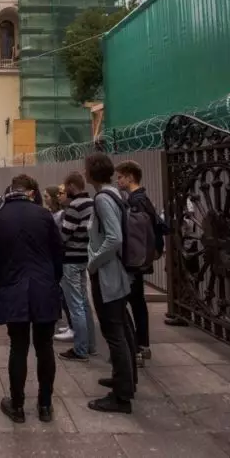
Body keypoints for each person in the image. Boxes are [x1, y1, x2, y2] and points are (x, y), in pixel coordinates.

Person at [0, 174, 63, 424]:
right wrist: (53, 279)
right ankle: (45, 404)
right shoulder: (43, 215)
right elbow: (58, 252)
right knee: (45, 346)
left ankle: (17, 405)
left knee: (18, 347)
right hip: (43, 287)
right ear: (31, 191)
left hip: (12, 287)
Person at [84, 152, 136, 414]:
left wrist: (93, 261)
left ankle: (122, 395)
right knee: (122, 329)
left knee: (114, 332)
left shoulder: (103, 199)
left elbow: (114, 238)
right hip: (116, 273)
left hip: (108, 274)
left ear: (92, 172)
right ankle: (124, 378)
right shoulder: (115, 194)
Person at [115, 160, 166, 365]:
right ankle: (142, 345)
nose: (118, 181)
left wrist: (131, 263)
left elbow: (136, 236)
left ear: (130, 177)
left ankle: (136, 348)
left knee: (130, 303)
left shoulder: (135, 201)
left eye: (120, 177)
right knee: (138, 304)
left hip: (134, 263)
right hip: (141, 260)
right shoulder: (143, 199)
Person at [57, 172, 98, 362]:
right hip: (84, 256)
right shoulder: (91, 202)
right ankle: (90, 345)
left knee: (75, 306)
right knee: (84, 303)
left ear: (72, 186)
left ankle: (80, 349)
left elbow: (64, 235)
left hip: (71, 258)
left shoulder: (74, 206)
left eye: (66, 188)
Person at [44, 186, 75, 342]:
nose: (45, 198)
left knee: (66, 292)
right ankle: (70, 323)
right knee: (60, 291)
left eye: (47, 196)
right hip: (52, 254)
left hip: (60, 255)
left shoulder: (62, 214)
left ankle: (73, 326)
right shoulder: (49, 213)